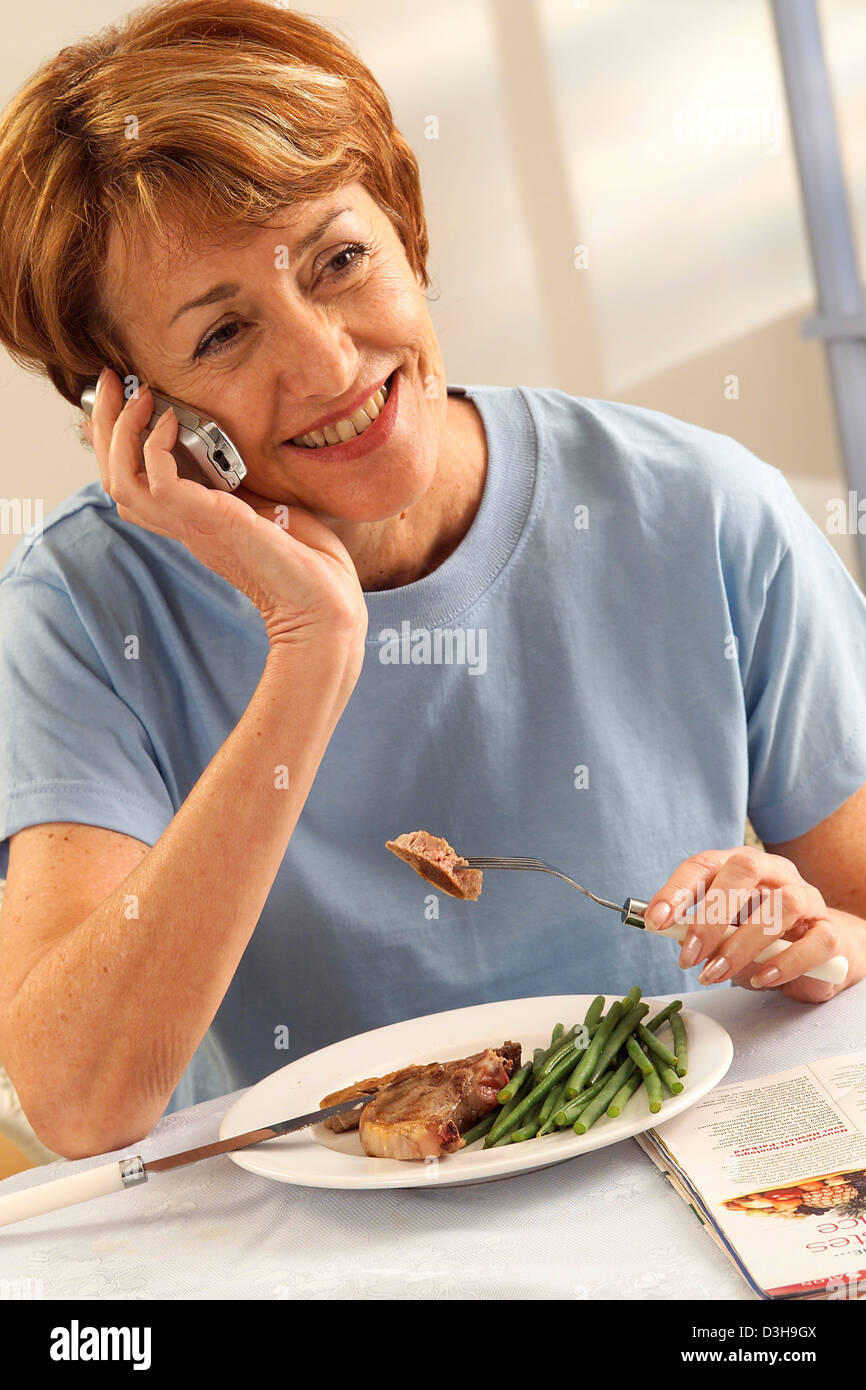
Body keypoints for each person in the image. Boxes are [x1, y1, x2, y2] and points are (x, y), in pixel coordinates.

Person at [0, 0, 864, 1162]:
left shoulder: (699, 505)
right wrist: (310, 655)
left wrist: (817, 945)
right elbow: (82, 1104)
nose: (323, 361)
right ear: (137, 406)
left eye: (338, 260)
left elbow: (855, 924)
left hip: (675, 1199)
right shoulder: (81, 614)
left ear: (405, 226)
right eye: (221, 337)